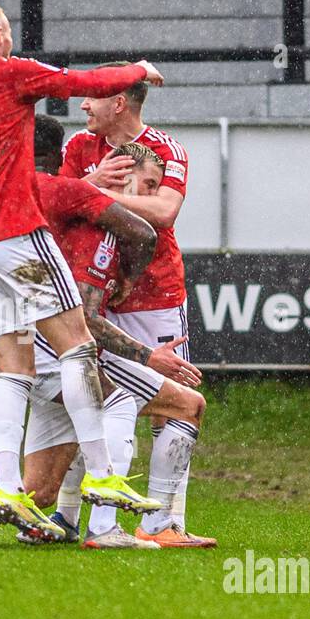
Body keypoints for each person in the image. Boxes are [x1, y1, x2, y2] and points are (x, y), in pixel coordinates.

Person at [0, 118, 212, 550]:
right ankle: (114, 527)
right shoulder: (88, 212)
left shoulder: (4, 190)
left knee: (33, 487)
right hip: (27, 335)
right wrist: (145, 353)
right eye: (148, 184)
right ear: (118, 175)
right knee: (135, 401)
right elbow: (82, 314)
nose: (153, 197)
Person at [0, 0, 165, 539]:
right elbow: (85, 81)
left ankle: (9, 484)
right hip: (19, 238)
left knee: (14, 369)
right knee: (77, 343)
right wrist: (139, 71)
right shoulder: (9, 74)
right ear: (1, 33)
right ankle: (102, 477)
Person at [61, 63, 204, 541]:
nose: (82, 103)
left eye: (92, 96)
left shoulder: (167, 149)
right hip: (92, 298)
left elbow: (164, 212)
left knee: (169, 406)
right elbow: (61, 205)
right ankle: (74, 517)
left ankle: (164, 522)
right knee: (97, 401)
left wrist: (93, 194)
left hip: (156, 297)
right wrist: (92, 188)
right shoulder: (78, 148)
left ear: (117, 102)